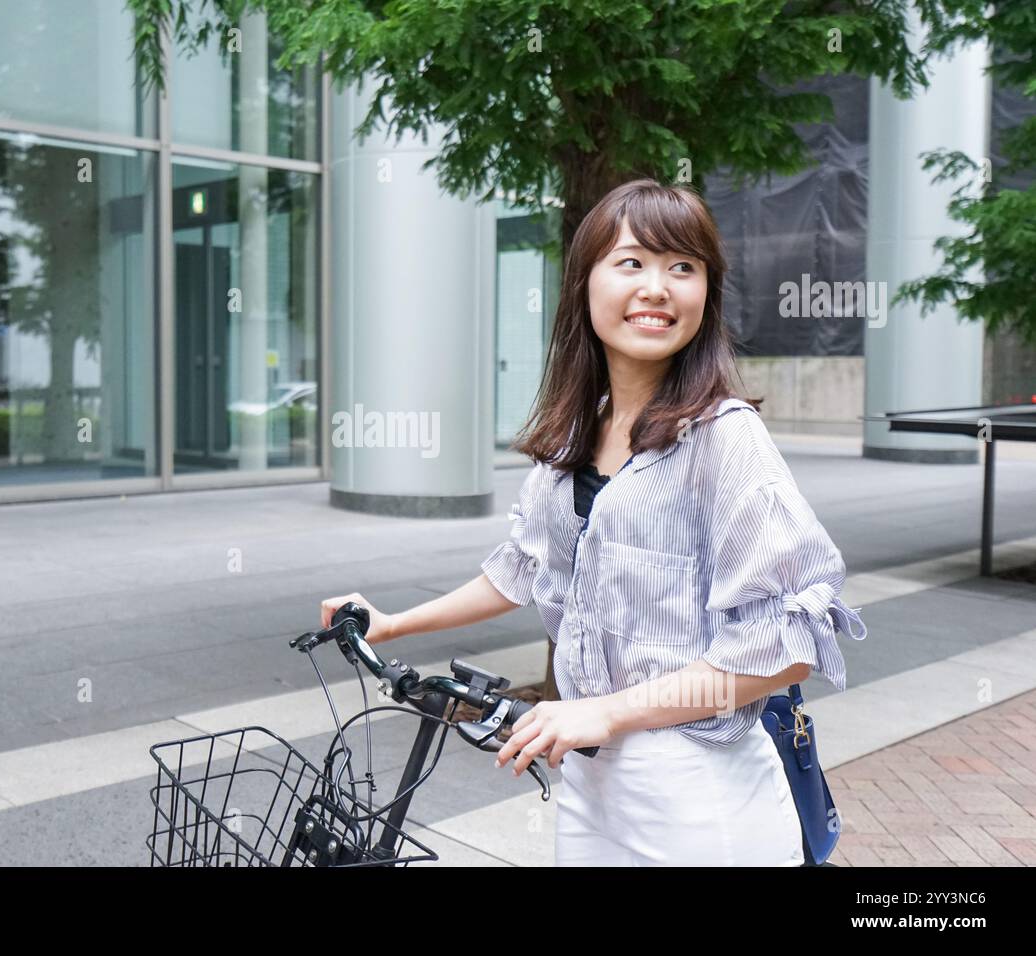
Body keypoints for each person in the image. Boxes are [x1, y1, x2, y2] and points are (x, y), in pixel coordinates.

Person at [319, 178, 867, 866]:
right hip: (590, 783)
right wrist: (394, 623)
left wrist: (606, 710)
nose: (658, 287)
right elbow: (520, 566)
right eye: (632, 262)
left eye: (683, 267)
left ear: (707, 292)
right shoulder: (580, 430)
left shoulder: (724, 438)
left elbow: (787, 646)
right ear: (585, 284)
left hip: (701, 796)